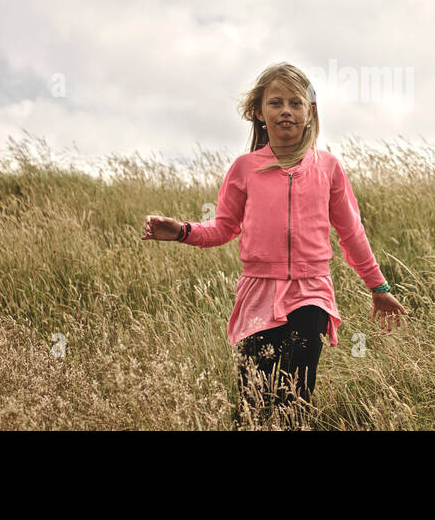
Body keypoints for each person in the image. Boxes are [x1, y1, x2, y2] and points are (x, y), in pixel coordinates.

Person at [143, 62, 407, 428]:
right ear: (258, 112)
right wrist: (182, 230)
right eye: (276, 102)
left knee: (294, 395)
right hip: (258, 293)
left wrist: (378, 287)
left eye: (296, 103)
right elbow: (222, 228)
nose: (286, 110)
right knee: (253, 398)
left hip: (311, 291)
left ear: (310, 112)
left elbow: (351, 233)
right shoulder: (245, 168)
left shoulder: (327, 167)